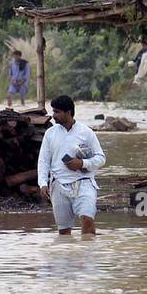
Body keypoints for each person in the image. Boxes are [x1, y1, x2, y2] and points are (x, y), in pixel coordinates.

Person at [37, 94, 105, 236]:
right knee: (64, 231)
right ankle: (69, 255)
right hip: (59, 185)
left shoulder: (86, 132)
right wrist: (43, 183)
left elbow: (101, 158)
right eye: (53, 111)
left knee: (87, 219)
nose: (53, 115)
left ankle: (87, 255)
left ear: (68, 112)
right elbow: (43, 161)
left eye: (57, 112)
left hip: (84, 183)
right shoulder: (50, 134)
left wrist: (82, 163)